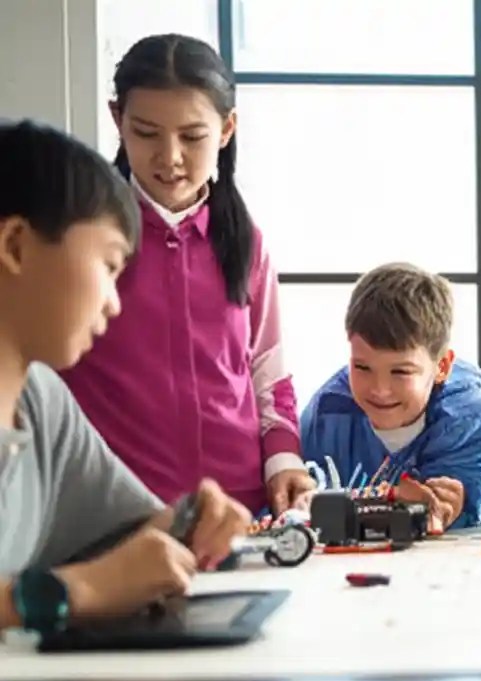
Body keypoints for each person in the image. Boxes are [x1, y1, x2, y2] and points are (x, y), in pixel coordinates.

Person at [0, 120, 247, 632]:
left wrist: (189, 523)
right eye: (110, 266)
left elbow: (124, 539)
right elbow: (98, 578)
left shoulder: (42, 401)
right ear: (17, 245)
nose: (114, 304)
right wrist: (77, 591)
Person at [59, 34, 314, 517]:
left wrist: (284, 462)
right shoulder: (80, 238)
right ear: (118, 121)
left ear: (226, 129)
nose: (170, 156)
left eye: (192, 136)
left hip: (241, 514)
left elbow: (268, 373)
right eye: (147, 132)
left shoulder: (246, 243)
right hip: (116, 517)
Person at [300, 263, 481, 530]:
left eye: (401, 372)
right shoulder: (326, 414)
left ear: (442, 367)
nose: (380, 389)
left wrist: (453, 504)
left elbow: (466, 493)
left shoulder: (467, 409)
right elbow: (302, 505)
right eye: (362, 367)